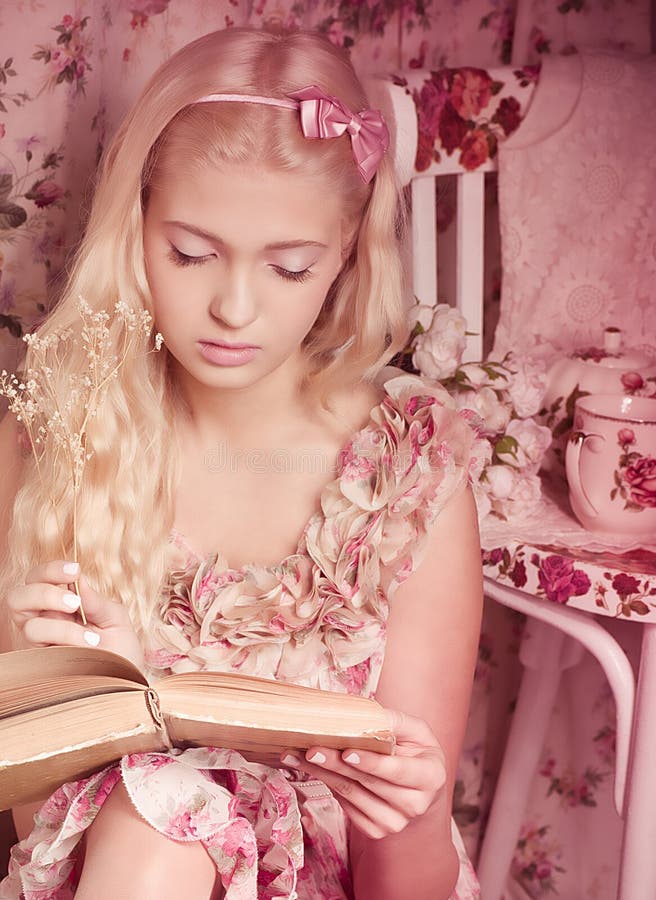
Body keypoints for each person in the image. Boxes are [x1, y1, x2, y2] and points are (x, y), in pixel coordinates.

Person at [0, 25, 483, 900]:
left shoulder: (408, 475)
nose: (231, 307)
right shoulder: (59, 434)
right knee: (156, 822)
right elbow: (34, 839)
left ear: (343, 261)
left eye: (290, 268)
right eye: (191, 253)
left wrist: (419, 806)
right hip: (117, 876)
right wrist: (76, 706)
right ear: (135, 227)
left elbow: (405, 889)